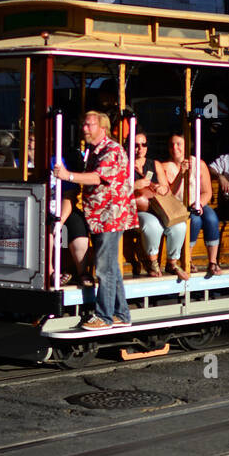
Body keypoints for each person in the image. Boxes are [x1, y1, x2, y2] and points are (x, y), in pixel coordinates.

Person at [53, 111, 137, 330]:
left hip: (111, 216)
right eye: (84, 124)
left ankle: (105, 317)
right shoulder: (94, 151)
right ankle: (122, 314)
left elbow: (98, 177)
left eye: (89, 125)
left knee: (104, 267)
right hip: (100, 216)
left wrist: (68, 176)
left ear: (103, 128)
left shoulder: (112, 150)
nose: (85, 128)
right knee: (111, 267)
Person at [163, 132, 222, 278]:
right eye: (171, 145)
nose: (174, 148)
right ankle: (187, 259)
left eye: (179, 144)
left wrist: (199, 204)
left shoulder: (199, 164)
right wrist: (181, 174)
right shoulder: (165, 166)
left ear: (187, 146)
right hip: (177, 206)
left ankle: (213, 262)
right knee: (194, 221)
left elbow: (207, 192)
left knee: (211, 218)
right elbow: (169, 194)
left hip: (197, 203)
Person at [132, 133, 187, 279]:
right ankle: (152, 262)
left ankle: (172, 262)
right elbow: (118, 190)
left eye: (143, 145)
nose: (140, 148)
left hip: (158, 206)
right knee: (152, 225)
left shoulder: (154, 164)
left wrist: (162, 188)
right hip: (138, 208)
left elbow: (167, 189)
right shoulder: (125, 165)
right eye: (136, 145)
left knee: (180, 226)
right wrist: (135, 185)